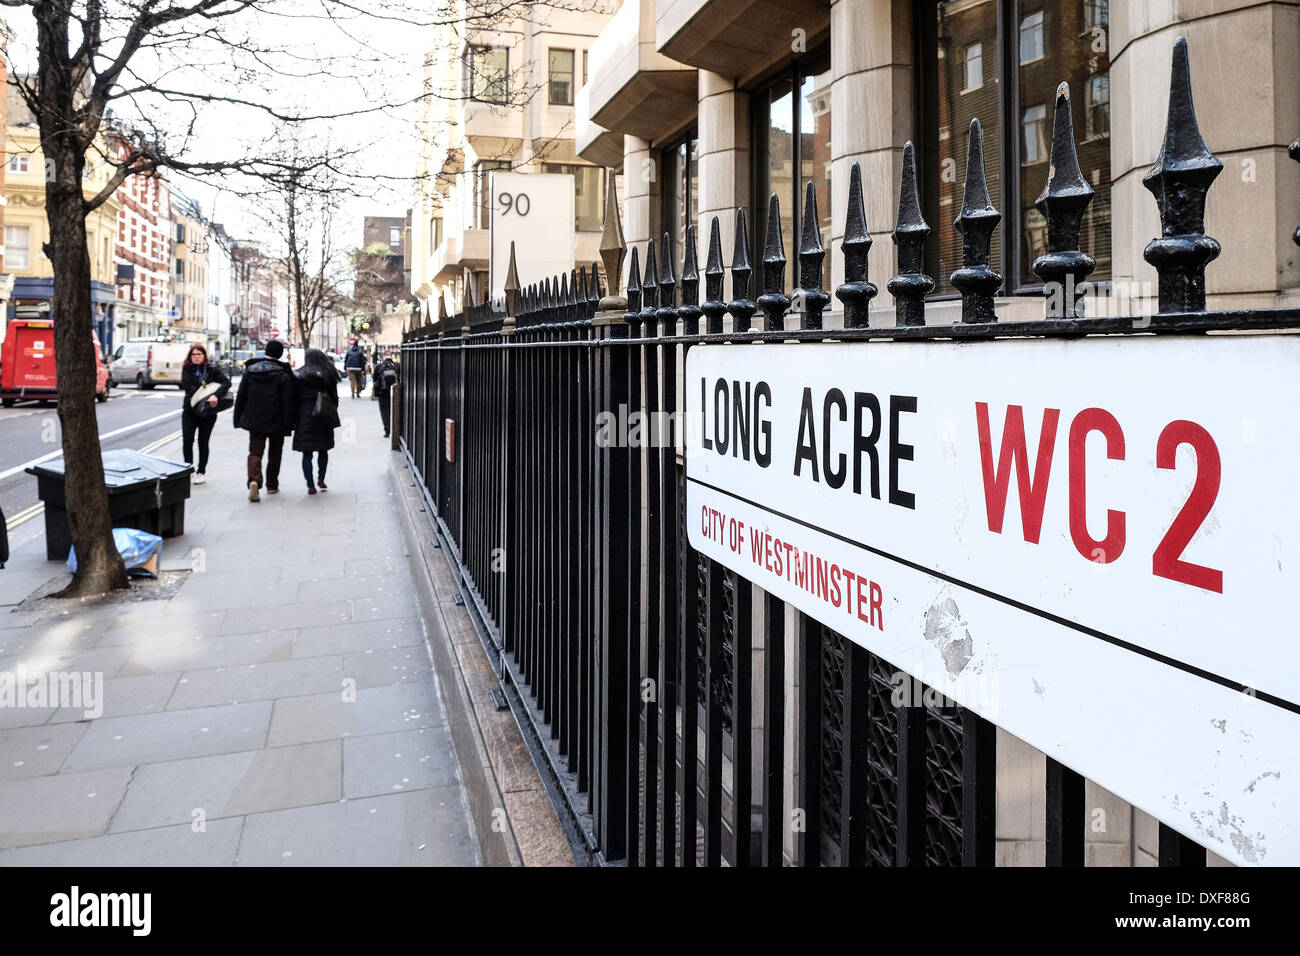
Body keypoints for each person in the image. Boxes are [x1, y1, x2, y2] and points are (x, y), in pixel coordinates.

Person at [233, 338, 297, 503]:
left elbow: (241, 396)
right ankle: (272, 485)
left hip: (255, 419)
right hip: (277, 420)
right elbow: (288, 400)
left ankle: (254, 481)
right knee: (275, 453)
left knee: (255, 452)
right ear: (280, 354)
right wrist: (290, 422)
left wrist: (238, 417)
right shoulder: (283, 373)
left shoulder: (251, 370)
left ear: (266, 352)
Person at [179, 344, 231, 485]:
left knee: (203, 441)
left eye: (199, 354)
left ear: (204, 356)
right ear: (190, 356)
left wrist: (215, 395)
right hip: (190, 410)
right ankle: (189, 469)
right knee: (187, 440)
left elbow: (226, 383)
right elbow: (188, 387)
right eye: (193, 355)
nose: (196, 357)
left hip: (207, 411)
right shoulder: (186, 369)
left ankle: (201, 472)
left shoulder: (212, 369)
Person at [293, 348, 342, 494]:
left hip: (304, 415)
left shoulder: (298, 375)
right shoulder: (329, 374)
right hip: (324, 414)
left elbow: (293, 398)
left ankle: (310, 485)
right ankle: (321, 478)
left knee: (306, 453)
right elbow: (335, 397)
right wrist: (332, 410)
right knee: (323, 450)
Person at [373, 350, 400, 438]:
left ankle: (387, 430)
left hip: (383, 392)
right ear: (391, 356)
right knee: (396, 410)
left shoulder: (379, 366)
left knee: (384, 411)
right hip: (395, 392)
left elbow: (375, 378)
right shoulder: (397, 366)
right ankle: (397, 430)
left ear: (383, 356)